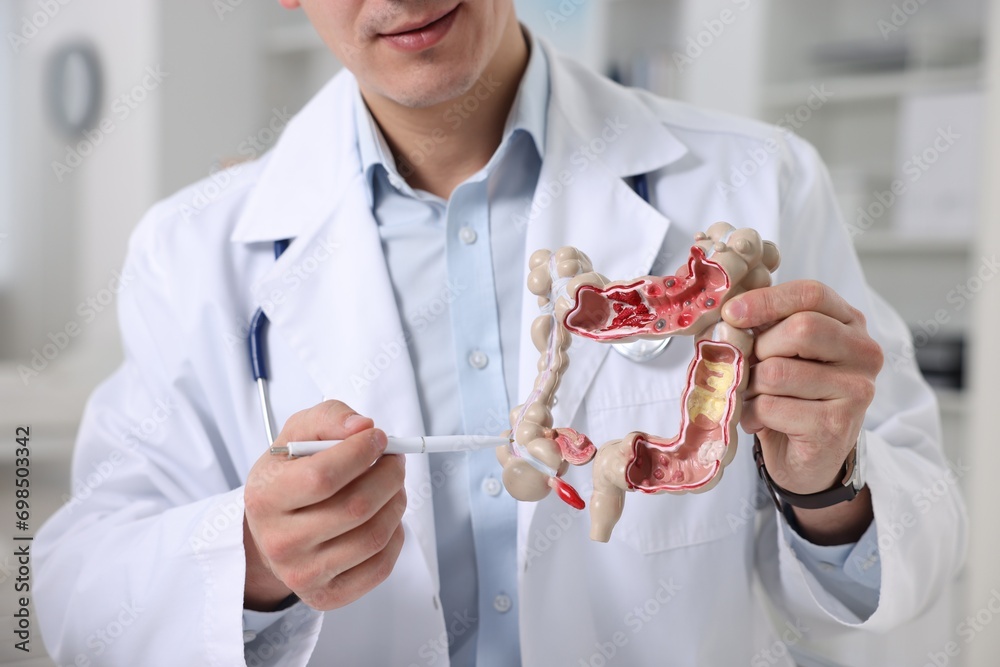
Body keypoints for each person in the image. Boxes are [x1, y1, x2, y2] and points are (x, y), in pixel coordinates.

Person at [35, 1, 966, 665]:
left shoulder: (760, 184)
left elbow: (919, 546)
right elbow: (77, 597)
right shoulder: (189, 249)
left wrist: (827, 485)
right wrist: (247, 558)